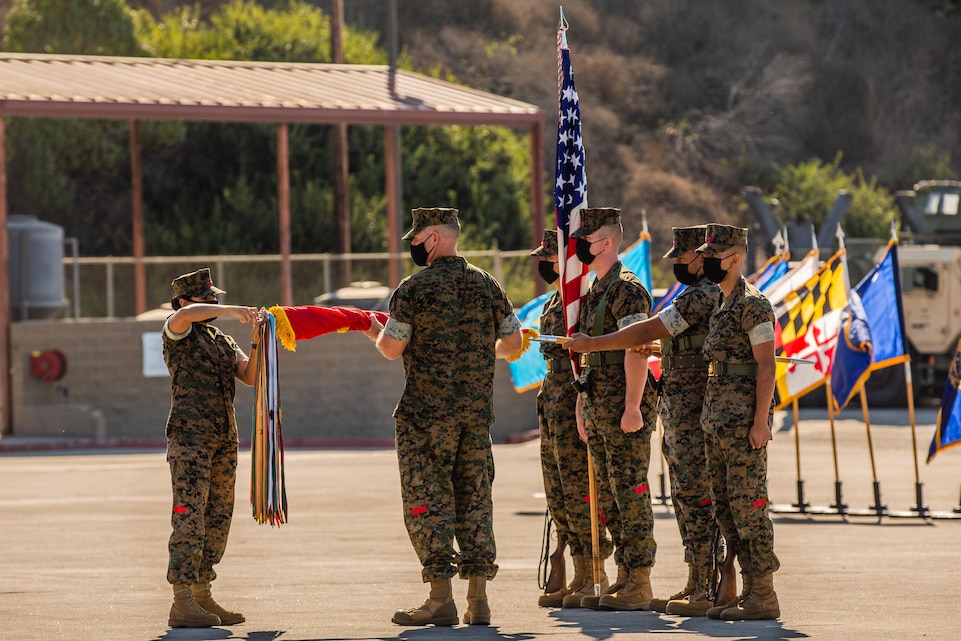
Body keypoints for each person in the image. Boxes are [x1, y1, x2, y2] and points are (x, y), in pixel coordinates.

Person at [364, 207, 523, 627]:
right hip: (475, 416)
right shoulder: (488, 284)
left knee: (427, 501)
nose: (414, 246)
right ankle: (478, 601)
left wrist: (373, 332)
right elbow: (514, 342)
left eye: (417, 238)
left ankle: (440, 599)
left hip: (425, 418)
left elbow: (391, 348)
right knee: (475, 500)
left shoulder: (414, 288)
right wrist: (480, 353)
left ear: (433, 238)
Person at [567, 225, 727, 616]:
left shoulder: (702, 294)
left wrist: (596, 346)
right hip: (679, 409)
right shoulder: (691, 294)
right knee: (682, 496)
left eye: (683, 258)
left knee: (695, 497)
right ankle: (693, 582)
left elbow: (646, 331)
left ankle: (704, 584)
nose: (678, 265)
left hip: (695, 411)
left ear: (701, 257)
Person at [568, 207, 659, 611]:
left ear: (605, 242)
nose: (579, 247)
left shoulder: (627, 288)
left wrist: (633, 406)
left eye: (585, 240)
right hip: (599, 403)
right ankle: (624, 576)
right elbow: (591, 357)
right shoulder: (596, 289)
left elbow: (638, 348)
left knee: (629, 492)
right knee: (608, 494)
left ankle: (639, 580)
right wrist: (582, 402)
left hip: (623, 405)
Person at [163, 267, 262, 629]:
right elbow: (186, 316)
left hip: (222, 440)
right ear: (183, 301)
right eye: (206, 297)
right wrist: (233, 310)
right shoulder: (178, 330)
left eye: (215, 296)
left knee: (217, 518)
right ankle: (182, 600)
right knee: (189, 517)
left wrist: (257, 339)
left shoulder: (221, 339)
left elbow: (249, 376)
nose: (213, 301)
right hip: (190, 440)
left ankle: (202, 593)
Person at [695, 223, 780, 620]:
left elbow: (767, 367)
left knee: (749, 508)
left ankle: (763, 592)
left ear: (734, 258)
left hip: (744, 424)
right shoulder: (721, 302)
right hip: (717, 424)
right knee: (726, 510)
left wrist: (761, 422)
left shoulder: (753, 304)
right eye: (705, 254)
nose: (706, 261)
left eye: (713, 255)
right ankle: (746, 591)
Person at [530, 230, 616, 609]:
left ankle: (593, 571)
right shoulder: (555, 299)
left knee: (581, 486)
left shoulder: (581, 297)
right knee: (559, 489)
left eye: (549, 258)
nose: (543, 265)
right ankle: (578, 569)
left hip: (573, 394)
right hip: (552, 397)